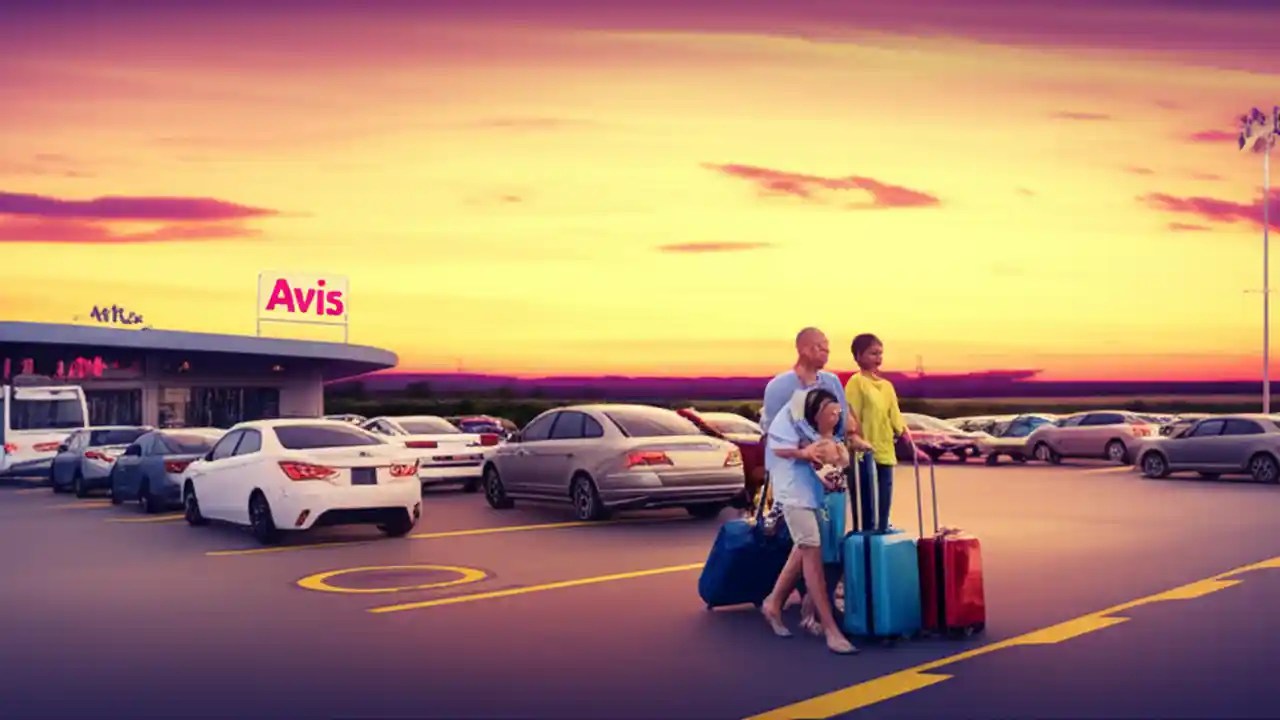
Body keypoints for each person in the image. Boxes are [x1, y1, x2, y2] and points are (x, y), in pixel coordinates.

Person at [759, 388, 858, 655]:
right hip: (796, 497)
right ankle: (829, 629)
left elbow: (842, 455)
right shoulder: (796, 432)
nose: (837, 417)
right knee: (811, 551)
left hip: (818, 500)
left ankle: (775, 603)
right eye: (831, 413)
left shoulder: (820, 437)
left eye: (838, 412)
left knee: (804, 550)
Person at [844, 333, 910, 532]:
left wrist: (910, 443)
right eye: (873, 353)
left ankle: (881, 538)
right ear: (858, 356)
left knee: (883, 506)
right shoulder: (856, 383)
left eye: (880, 353)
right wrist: (857, 440)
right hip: (864, 455)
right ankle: (865, 548)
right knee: (866, 508)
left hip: (885, 453)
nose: (878, 358)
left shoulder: (887, 387)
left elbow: (896, 418)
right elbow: (851, 416)